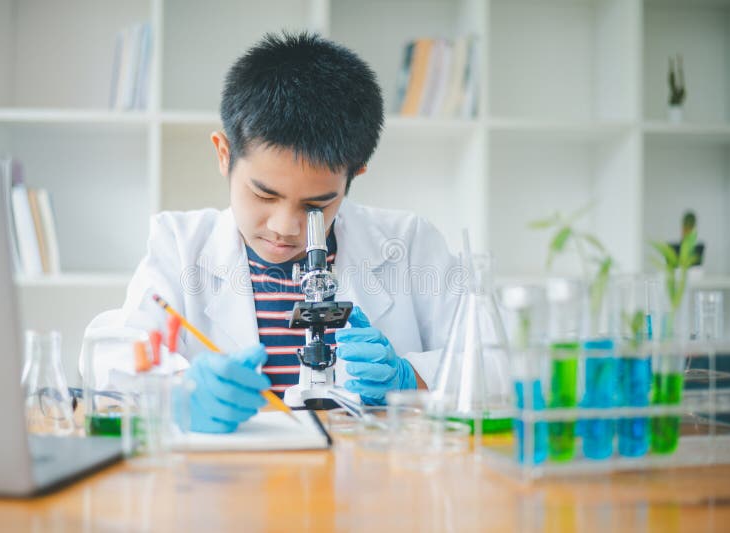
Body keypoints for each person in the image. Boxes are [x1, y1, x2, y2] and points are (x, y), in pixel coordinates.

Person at [82, 32, 460, 433]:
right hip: (232, 482)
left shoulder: (408, 243)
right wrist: (179, 390)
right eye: (264, 193)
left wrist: (410, 380)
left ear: (354, 175)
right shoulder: (180, 245)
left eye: (316, 206)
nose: (285, 228)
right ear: (224, 154)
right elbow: (107, 357)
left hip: (365, 481)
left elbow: (495, 359)